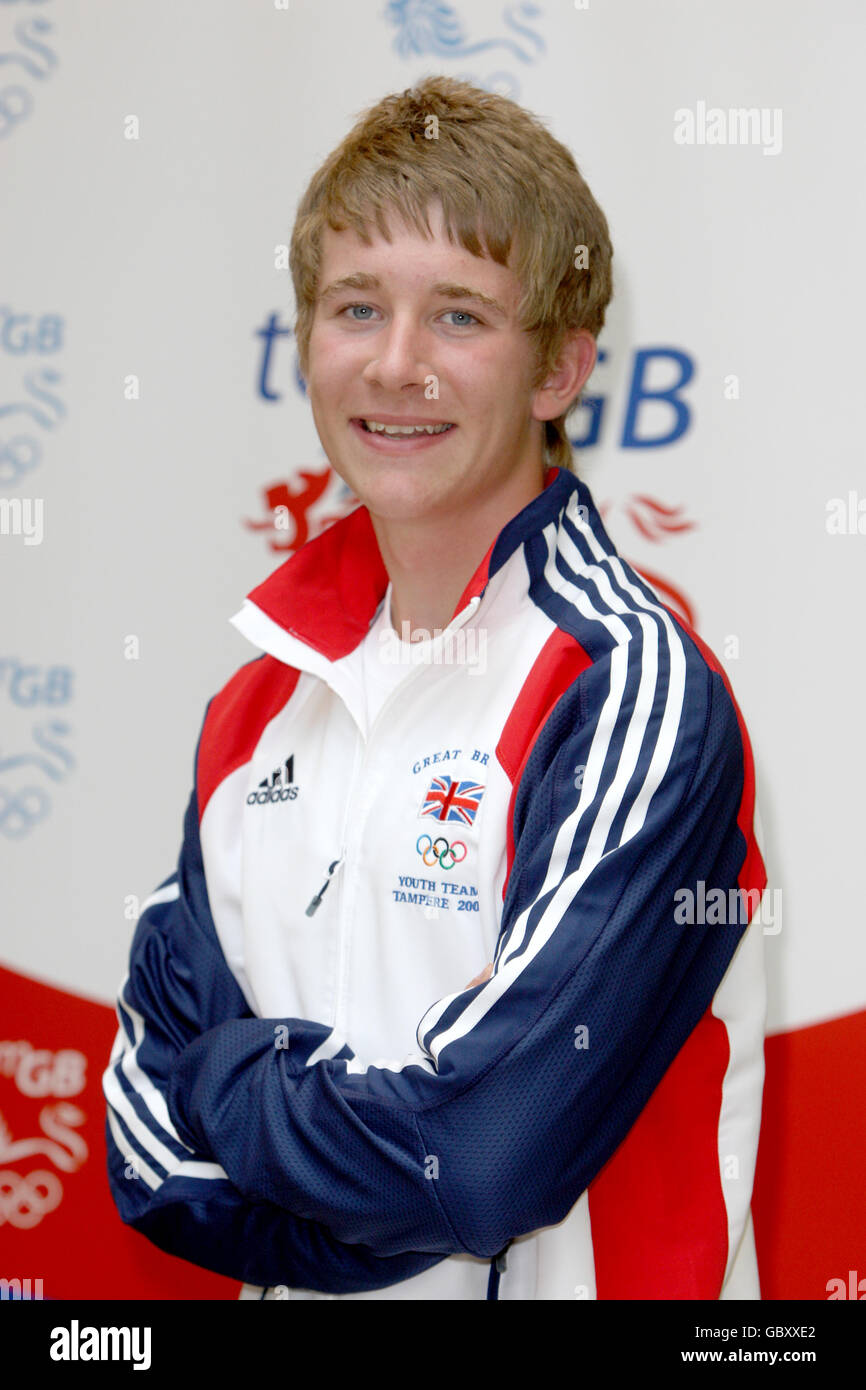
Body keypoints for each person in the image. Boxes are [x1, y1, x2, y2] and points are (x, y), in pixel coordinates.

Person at [103, 75, 768, 1300]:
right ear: (304, 341)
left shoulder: (630, 688)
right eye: (356, 307)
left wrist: (230, 1076)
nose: (395, 364)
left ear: (561, 369)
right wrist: (379, 1129)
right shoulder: (254, 707)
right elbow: (145, 1150)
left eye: (458, 316)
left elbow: (477, 1162)